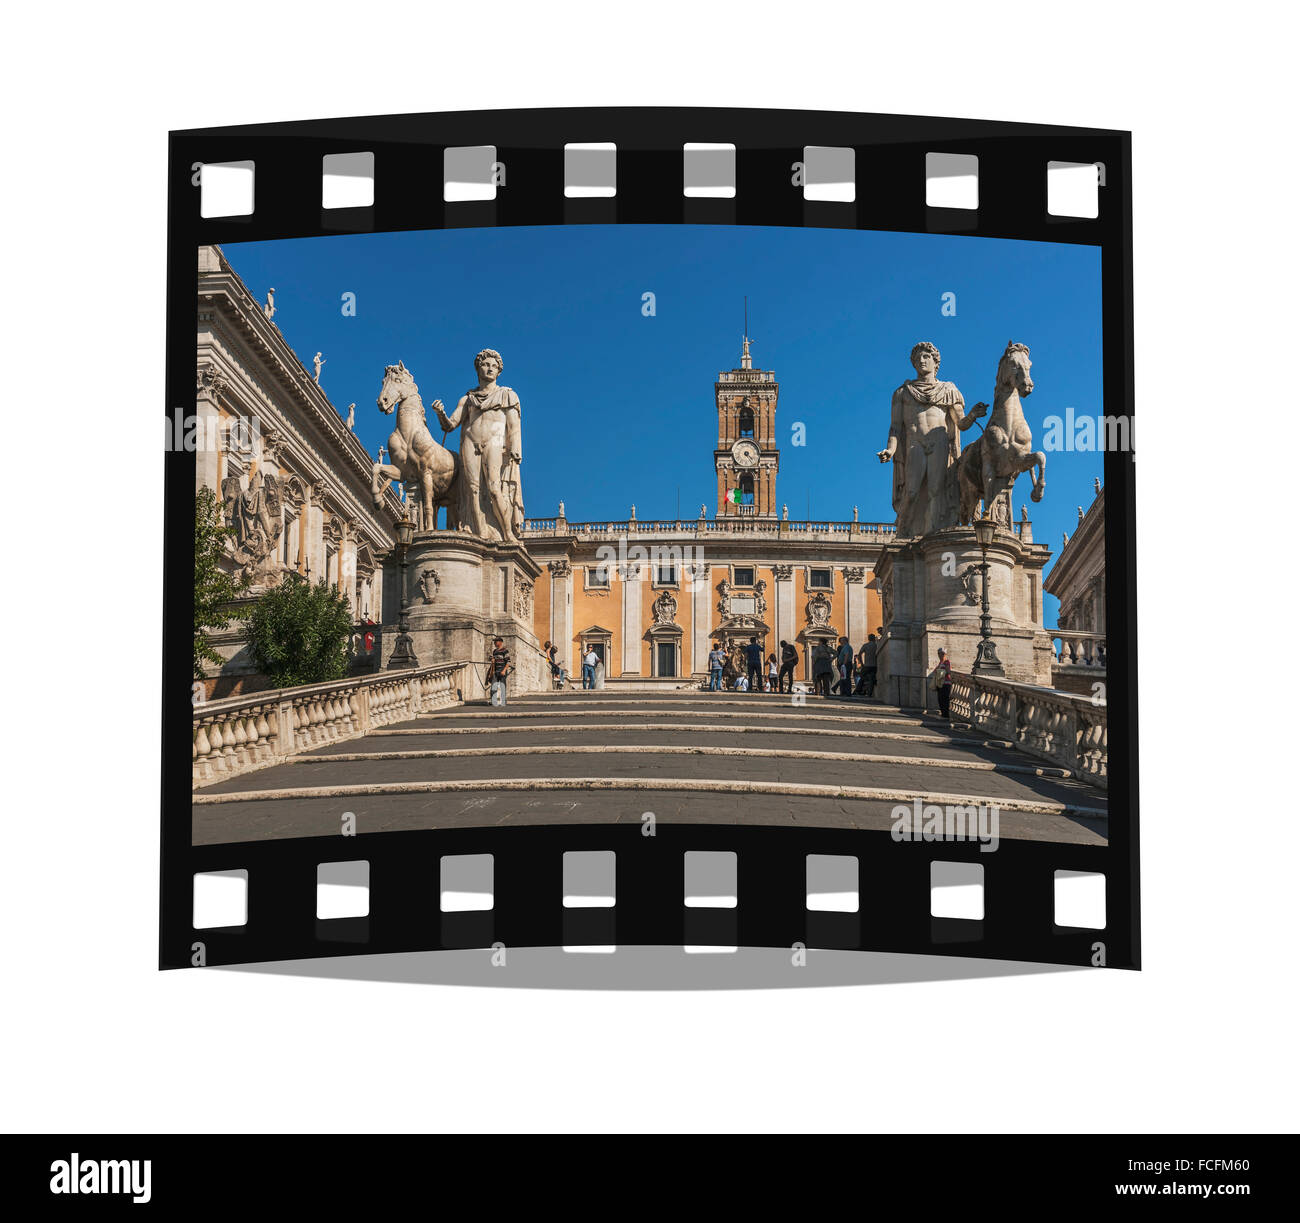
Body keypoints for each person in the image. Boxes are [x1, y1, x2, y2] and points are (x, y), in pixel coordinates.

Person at [488, 636, 512, 706]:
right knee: (493, 686)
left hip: (502, 670)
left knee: (502, 686)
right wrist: (492, 659)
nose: (495, 643)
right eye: (494, 642)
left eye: (496, 641)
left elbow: (508, 662)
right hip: (495, 671)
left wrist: (504, 670)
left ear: (501, 642)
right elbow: (494, 660)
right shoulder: (494, 651)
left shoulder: (505, 651)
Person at [930, 647, 953, 720]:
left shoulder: (946, 662)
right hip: (940, 683)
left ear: (945, 654)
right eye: (940, 654)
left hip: (946, 683)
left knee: (945, 699)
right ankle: (943, 714)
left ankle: (946, 715)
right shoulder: (940, 663)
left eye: (943, 654)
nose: (941, 655)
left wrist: (941, 673)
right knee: (940, 699)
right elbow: (935, 671)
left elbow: (948, 672)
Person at [859, 632, 879, 698]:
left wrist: (862, 663)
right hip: (875, 665)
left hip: (867, 665)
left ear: (868, 639)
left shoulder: (865, 645)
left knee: (862, 676)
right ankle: (869, 693)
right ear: (874, 639)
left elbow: (859, 654)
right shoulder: (877, 645)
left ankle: (859, 690)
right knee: (872, 679)